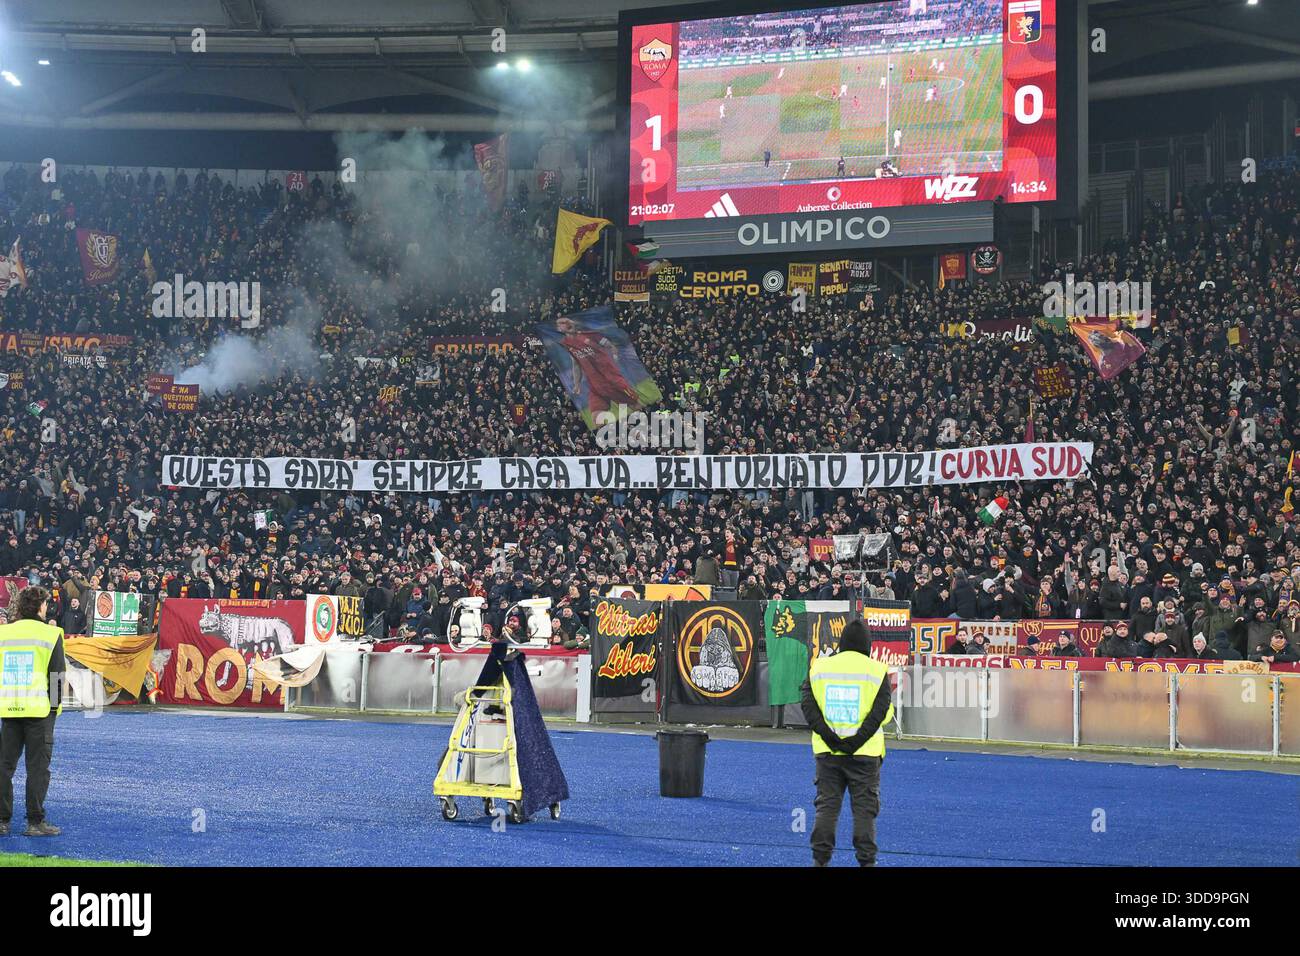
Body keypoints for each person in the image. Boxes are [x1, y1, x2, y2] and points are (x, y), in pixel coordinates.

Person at [800, 619, 892, 867]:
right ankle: (866, 862)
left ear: (842, 643)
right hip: (865, 754)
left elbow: (808, 708)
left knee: (827, 807)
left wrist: (832, 738)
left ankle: (820, 861)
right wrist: (855, 742)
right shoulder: (877, 670)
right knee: (864, 811)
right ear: (867, 644)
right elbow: (881, 712)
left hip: (827, 753)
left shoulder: (819, 667)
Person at [0, 586, 65, 837]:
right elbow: (57, 676)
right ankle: (35, 822)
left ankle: (2, 821)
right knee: (37, 768)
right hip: (39, 711)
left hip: (8, 708)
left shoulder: (4, 633)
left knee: (4, 767)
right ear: (40, 607)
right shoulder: (50, 634)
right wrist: (54, 710)